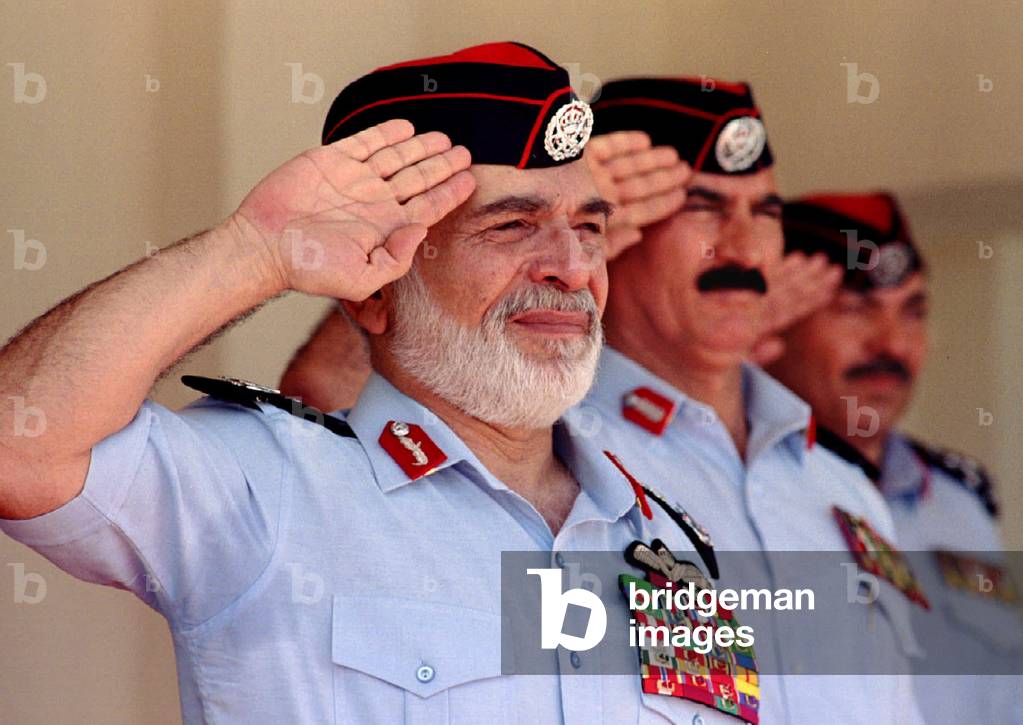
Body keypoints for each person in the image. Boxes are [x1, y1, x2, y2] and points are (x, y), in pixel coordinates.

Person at [0, 42, 756, 724]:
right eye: (511, 226)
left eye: (589, 229)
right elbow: (18, 447)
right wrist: (257, 251)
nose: (571, 266)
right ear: (375, 290)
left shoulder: (668, 542)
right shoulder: (272, 488)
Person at [768, 191, 1023, 724]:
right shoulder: (739, 493)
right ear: (776, 325)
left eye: (913, 311)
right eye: (855, 308)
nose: (891, 344)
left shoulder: (959, 503)